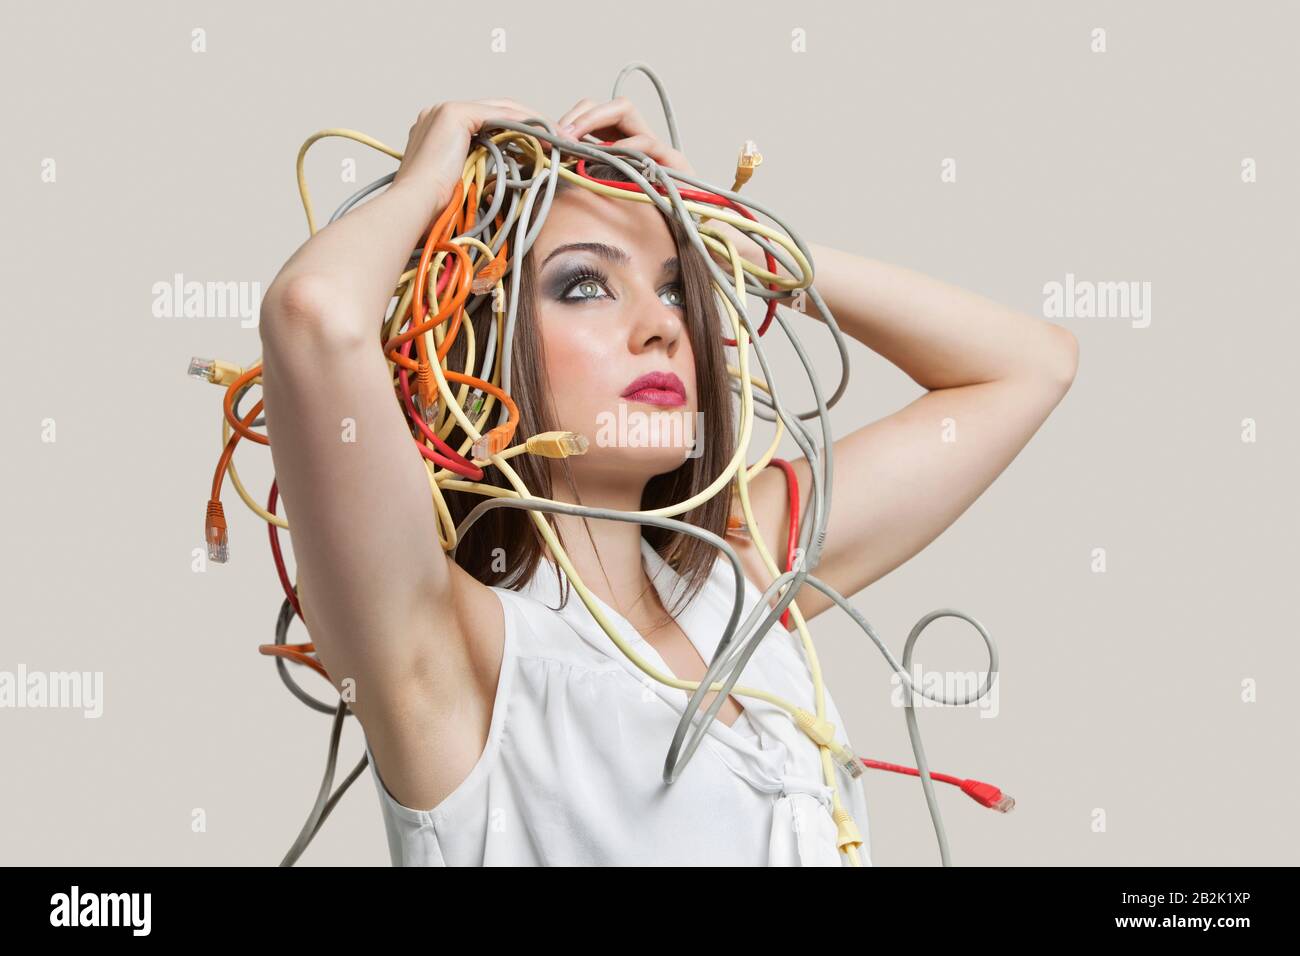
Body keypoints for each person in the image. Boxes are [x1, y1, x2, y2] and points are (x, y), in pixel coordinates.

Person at [257, 96, 1079, 866]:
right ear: (481, 349)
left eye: (676, 288)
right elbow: (314, 316)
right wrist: (425, 183)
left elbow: (1031, 367)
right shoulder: (451, 651)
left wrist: (730, 235)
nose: (659, 325)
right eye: (584, 285)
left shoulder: (744, 574)